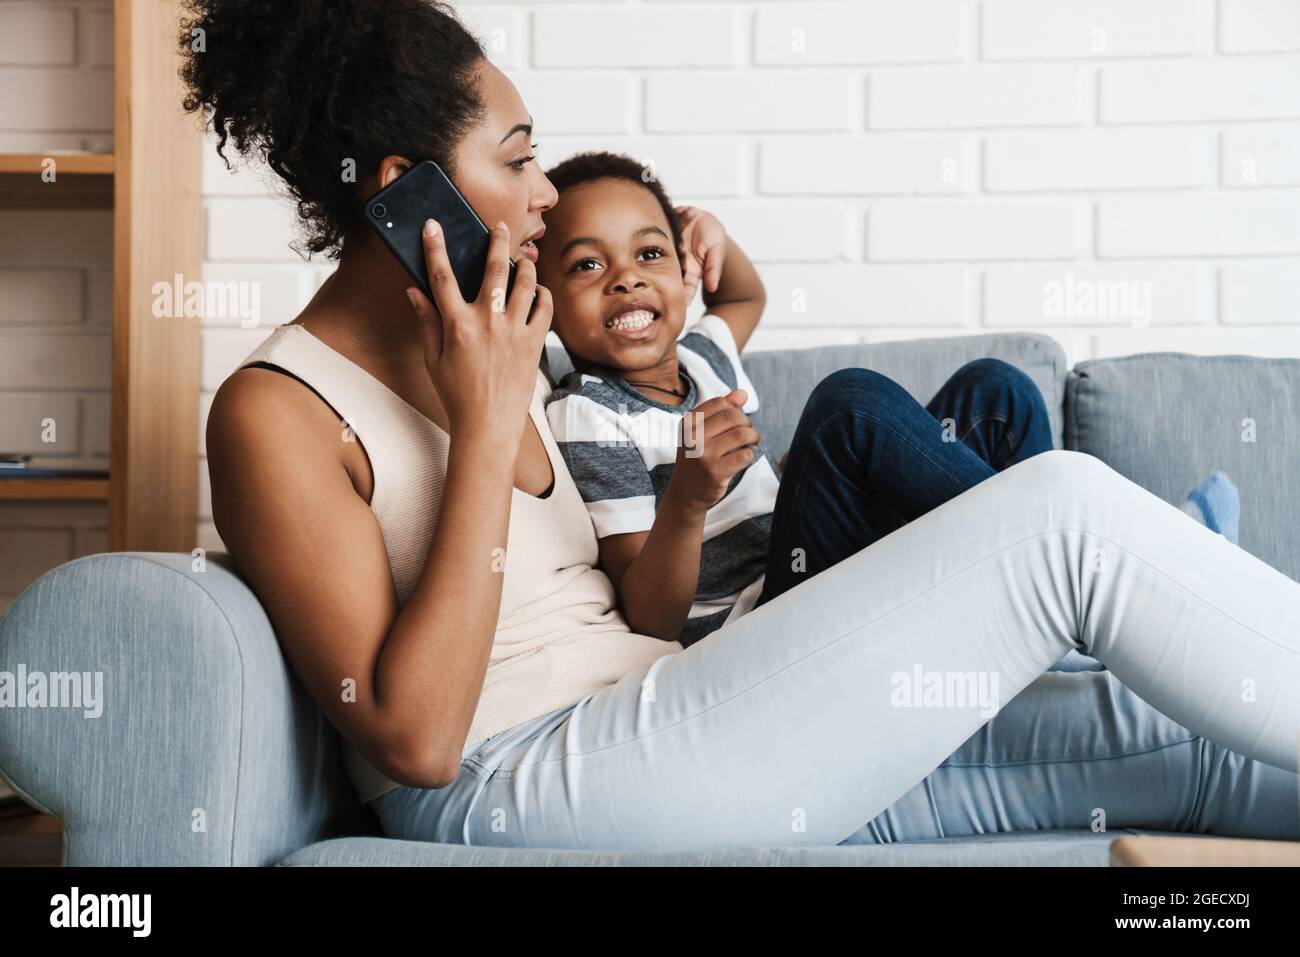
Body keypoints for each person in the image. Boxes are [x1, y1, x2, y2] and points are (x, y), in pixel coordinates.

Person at [185, 0, 1299, 850]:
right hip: (511, 775)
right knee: (1059, 516)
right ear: (404, 192)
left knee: (1135, 734)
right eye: (518, 158)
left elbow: (661, 330)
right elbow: (415, 742)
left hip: (673, 708)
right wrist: (481, 429)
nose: (540, 195)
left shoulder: (514, 337)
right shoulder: (278, 411)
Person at [539, 151, 1240, 650]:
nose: (626, 280)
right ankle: (1117, 567)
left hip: (830, 565)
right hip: (764, 625)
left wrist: (706, 225)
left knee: (997, 391)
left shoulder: (703, 355)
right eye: (587, 264)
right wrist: (689, 498)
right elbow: (651, 618)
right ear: (547, 302)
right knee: (849, 408)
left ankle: (1063, 601)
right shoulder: (589, 413)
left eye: (650, 253)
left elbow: (744, 293)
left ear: (686, 275)